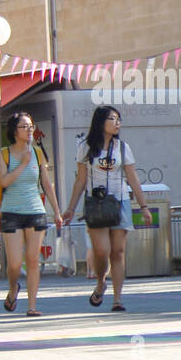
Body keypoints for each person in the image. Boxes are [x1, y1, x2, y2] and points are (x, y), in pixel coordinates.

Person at [62, 106, 153, 311]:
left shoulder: (122, 147)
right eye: (112, 119)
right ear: (101, 122)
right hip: (96, 204)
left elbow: (133, 178)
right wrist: (70, 208)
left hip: (120, 202)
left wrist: (143, 206)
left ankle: (117, 299)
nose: (117, 123)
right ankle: (101, 281)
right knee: (102, 251)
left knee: (118, 251)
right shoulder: (86, 147)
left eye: (119, 119)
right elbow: (80, 180)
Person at [0, 112, 64, 316]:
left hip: (35, 210)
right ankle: (13, 288)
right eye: (25, 126)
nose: (29, 130)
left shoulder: (37, 153)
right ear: (14, 131)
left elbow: (46, 184)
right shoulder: (4, 154)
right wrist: (23, 164)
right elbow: (4, 182)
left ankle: (32, 306)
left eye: (31, 126)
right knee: (15, 263)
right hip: (11, 212)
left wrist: (57, 212)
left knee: (33, 260)